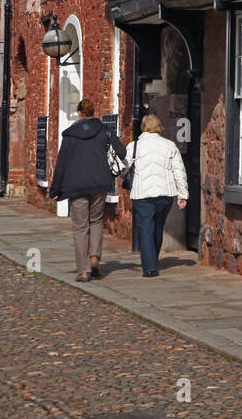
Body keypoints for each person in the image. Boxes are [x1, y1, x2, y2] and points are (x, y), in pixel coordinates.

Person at [48, 98, 123, 282]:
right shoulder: (105, 130)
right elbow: (121, 151)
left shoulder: (70, 135)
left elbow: (61, 164)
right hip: (100, 182)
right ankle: (95, 258)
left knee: (80, 227)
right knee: (96, 220)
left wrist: (55, 189)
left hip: (76, 185)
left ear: (80, 113)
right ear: (93, 112)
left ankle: (83, 270)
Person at [125, 113, 188, 277]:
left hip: (142, 194)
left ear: (143, 128)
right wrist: (183, 194)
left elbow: (124, 168)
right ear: (158, 127)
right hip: (164, 194)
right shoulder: (169, 145)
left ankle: (150, 266)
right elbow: (179, 171)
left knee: (146, 229)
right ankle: (153, 259)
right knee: (157, 227)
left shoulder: (134, 146)